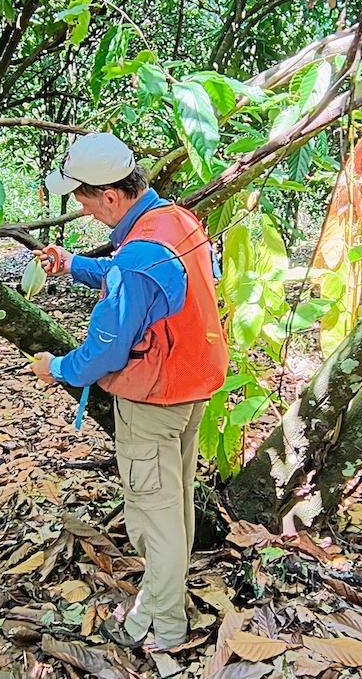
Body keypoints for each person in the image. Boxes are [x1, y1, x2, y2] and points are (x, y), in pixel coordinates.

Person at [27, 132, 228, 651]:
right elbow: (137, 277)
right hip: (192, 387)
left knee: (151, 514)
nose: (87, 212)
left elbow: (108, 349)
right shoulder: (176, 223)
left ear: (111, 196)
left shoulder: (139, 250)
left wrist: (60, 368)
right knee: (175, 504)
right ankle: (172, 599)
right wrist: (72, 264)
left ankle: (163, 622)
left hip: (153, 398)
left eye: (86, 201)